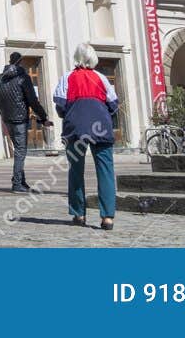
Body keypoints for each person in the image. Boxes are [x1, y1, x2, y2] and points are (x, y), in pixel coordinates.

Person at [54, 43, 118, 230]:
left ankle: (79, 213)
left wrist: (71, 115)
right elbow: (114, 103)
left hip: (75, 128)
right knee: (105, 170)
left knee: (75, 170)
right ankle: (107, 217)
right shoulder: (101, 78)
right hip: (101, 128)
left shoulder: (67, 77)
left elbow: (60, 104)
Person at [0, 52, 51, 192]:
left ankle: (21, 181)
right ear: (20, 62)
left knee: (18, 150)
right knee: (20, 151)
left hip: (7, 119)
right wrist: (43, 118)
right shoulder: (23, 78)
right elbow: (33, 101)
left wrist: (2, 113)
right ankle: (17, 183)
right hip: (19, 119)